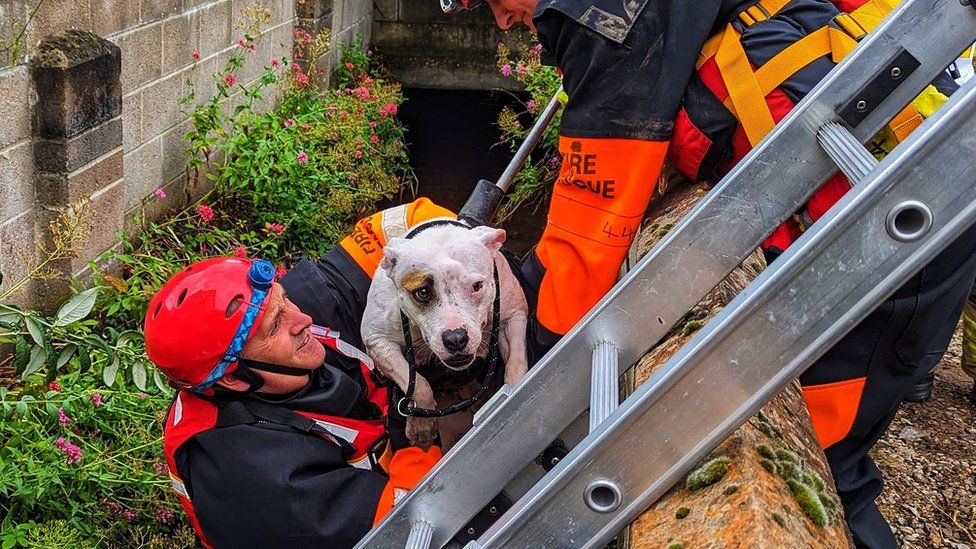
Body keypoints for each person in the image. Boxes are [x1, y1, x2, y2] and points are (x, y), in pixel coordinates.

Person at [443, 0, 976, 546]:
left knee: (824, 469)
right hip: (889, 168)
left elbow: (589, 236)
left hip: (891, 232)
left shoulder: (603, 14)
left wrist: (529, 365)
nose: (498, 19)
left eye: (479, 0)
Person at [145, 199, 453, 548]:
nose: (302, 318)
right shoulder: (258, 474)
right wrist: (420, 439)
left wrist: (449, 234)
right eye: (275, 325)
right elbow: (408, 524)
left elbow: (386, 233)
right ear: (233, 377)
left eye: (284, 298)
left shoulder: (284, 328)